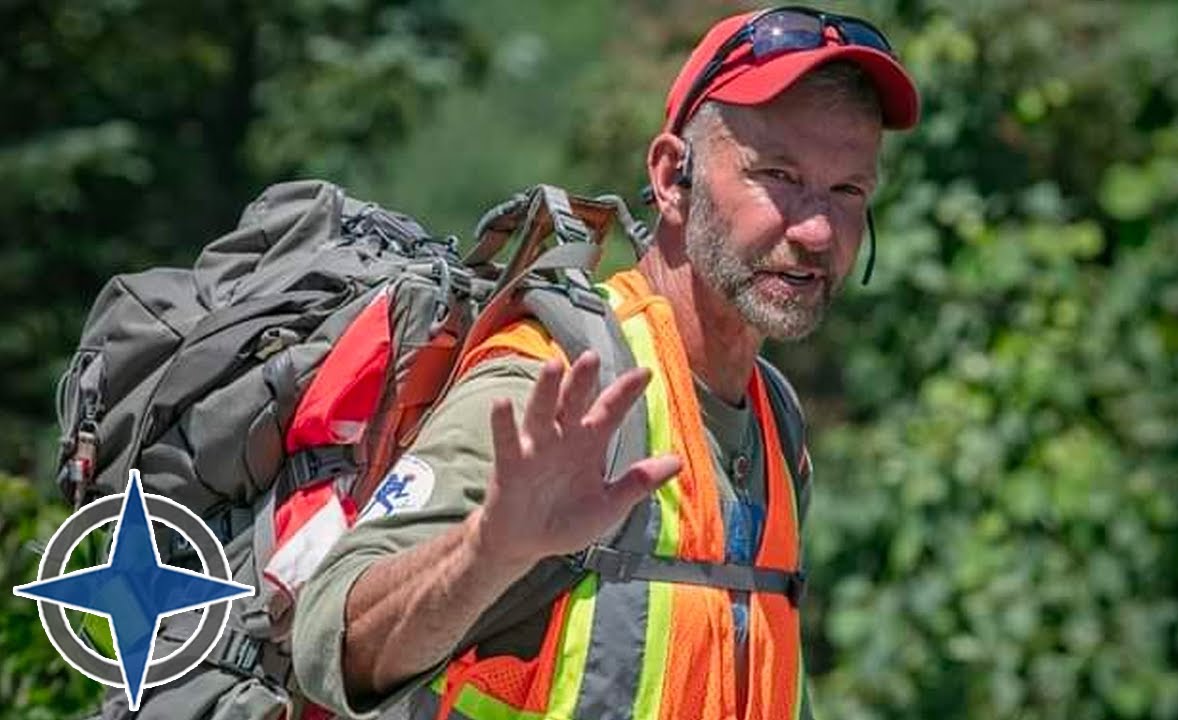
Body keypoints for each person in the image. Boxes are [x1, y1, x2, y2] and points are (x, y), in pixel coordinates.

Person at [293, 6, 919, 719]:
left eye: (848, 191)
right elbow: (330, 644)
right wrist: (488, 551)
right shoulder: (555, 378)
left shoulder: (775, 423)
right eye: (777, 175)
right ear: (671, 177)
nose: (815, 229)